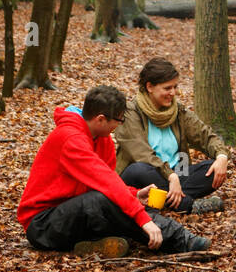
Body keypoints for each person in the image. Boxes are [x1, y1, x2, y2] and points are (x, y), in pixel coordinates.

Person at [18, 85, 211, 258]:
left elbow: (108, 185)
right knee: (102, 202)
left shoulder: (103, 141)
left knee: (119, 203)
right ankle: (178, 238)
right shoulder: (70, 140)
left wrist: (135, 194)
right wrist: (143, 220)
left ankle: (94, 246)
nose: (119, 125)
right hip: (43, 225)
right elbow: (107, 183)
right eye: (117, 120)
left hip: (74, 214)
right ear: (101, 119)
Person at [115, 57, 229, 214]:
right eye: (167, 88)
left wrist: (222, 156)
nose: (173, 93)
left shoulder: (178, 111)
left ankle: (165, 201)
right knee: (138, 169)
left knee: (212, 168)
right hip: (146, 177)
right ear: (150, 87)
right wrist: (171, 176)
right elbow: (141, 154)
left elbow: (205, 135)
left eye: (175, 87)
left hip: (178, 175)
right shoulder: (130, 112)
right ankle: (187, 205)